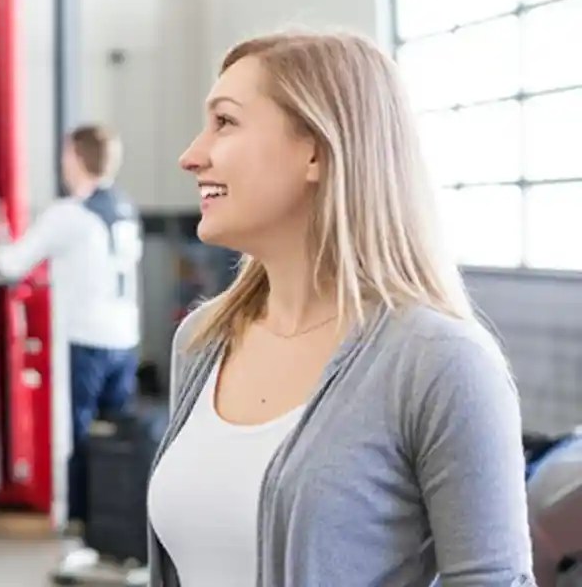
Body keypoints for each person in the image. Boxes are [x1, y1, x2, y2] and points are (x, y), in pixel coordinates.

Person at [146, 30, 534, 586]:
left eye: (225, 122)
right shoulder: (204, 340)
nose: (191, 155)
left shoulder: (440, 362)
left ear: (317, 150)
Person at [0, 125, 144, 568]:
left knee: (74, 437)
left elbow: (11, 264)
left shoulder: (69, 214)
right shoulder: (124, 210)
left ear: (75, 157)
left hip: (85, 340)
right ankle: (122, 531)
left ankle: (77, 529)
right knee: (117, 439)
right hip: (125, 338)